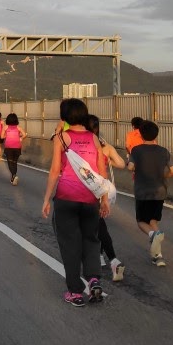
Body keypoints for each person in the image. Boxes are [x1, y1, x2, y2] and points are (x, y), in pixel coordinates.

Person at [41, 98, 110, 307]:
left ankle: (75, 292)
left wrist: (46, 199)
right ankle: (94, 279)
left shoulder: (61, 138)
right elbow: (101, 172)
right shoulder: (94, 138)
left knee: (70, 244)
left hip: (66, 197)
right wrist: (104, 199)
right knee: (91, 240)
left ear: (65, 116)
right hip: (91, 198)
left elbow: (54, 170)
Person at [129, 120, 173, 267]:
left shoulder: (136, 150)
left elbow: (130, 167)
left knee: (141, 221)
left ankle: (153, 235)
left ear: (141, 135)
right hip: (160, 192)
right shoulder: (164, 151)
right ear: (156, 135)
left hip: (143, 191)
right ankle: (159, 256)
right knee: (153, 221)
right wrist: (163, 176)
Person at [86, 114, 127, 281]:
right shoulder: (105, 147)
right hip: (105, 190)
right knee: (98, 224)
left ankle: (111, 259)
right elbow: (121, 164)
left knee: (94, 227)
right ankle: (104, 257)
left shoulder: (81, 146)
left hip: (89, 191)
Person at [2, 113, 25, 186]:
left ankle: (14, 175)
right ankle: (13, 177)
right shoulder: (18, 127)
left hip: (9, 147)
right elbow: (25, 134)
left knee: (10, 162)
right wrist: (20, 138)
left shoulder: (5, 127)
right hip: (17, 147)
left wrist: (7, 135)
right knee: (14, 162)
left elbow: (2, 136)